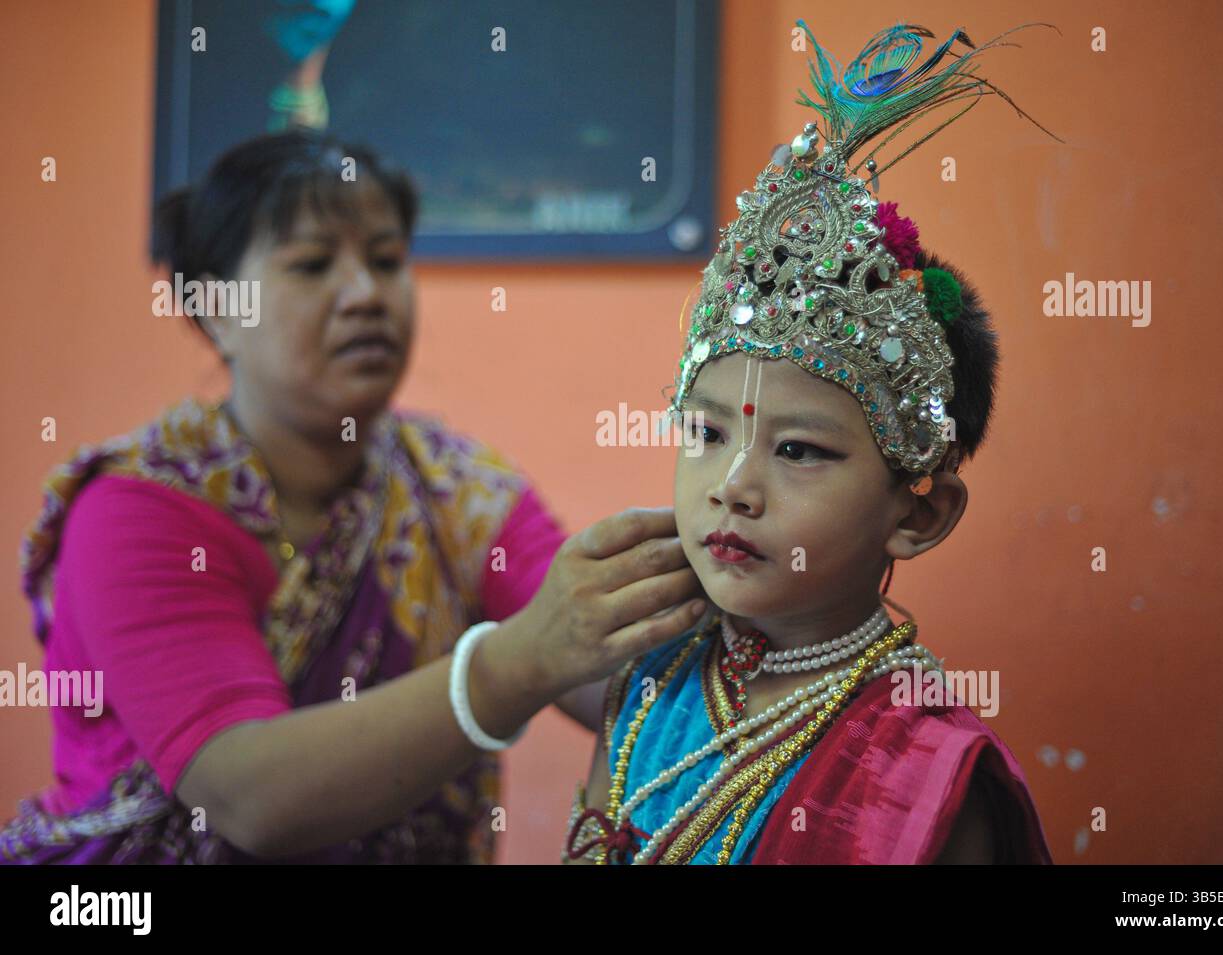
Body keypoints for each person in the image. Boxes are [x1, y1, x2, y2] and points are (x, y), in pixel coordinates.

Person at [0, 129, 706, 864]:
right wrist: (515, 664)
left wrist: (738, 621)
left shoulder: (457, 487)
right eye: (312, 264)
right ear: (214, 312)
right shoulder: (138, 510)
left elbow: (615, 674)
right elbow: (250, 796)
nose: (366, 294)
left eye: (386, 259)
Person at [564, 20, 1059, 865]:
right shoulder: (650, 689)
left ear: (919, 512)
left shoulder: (932, 778)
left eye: (797, 451)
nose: (732, 485)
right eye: (707, 431)